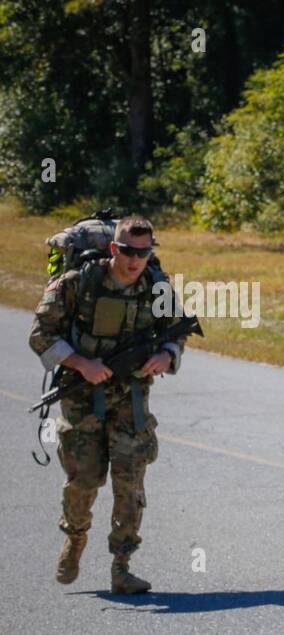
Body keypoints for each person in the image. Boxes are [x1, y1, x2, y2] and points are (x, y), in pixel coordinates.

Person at [29, 215, 187, 594]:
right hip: (83, 397)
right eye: (129, 251)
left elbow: (178, 331)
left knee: (129, 481)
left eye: (143, 252)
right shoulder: (78, 283)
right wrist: (82, 364)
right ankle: (75, 537)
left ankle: (122, 566)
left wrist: (167, 355)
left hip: (131, 397)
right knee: (84, 479)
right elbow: (40, 334)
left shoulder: (157, 286)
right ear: (114, 248)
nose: (135, 260)